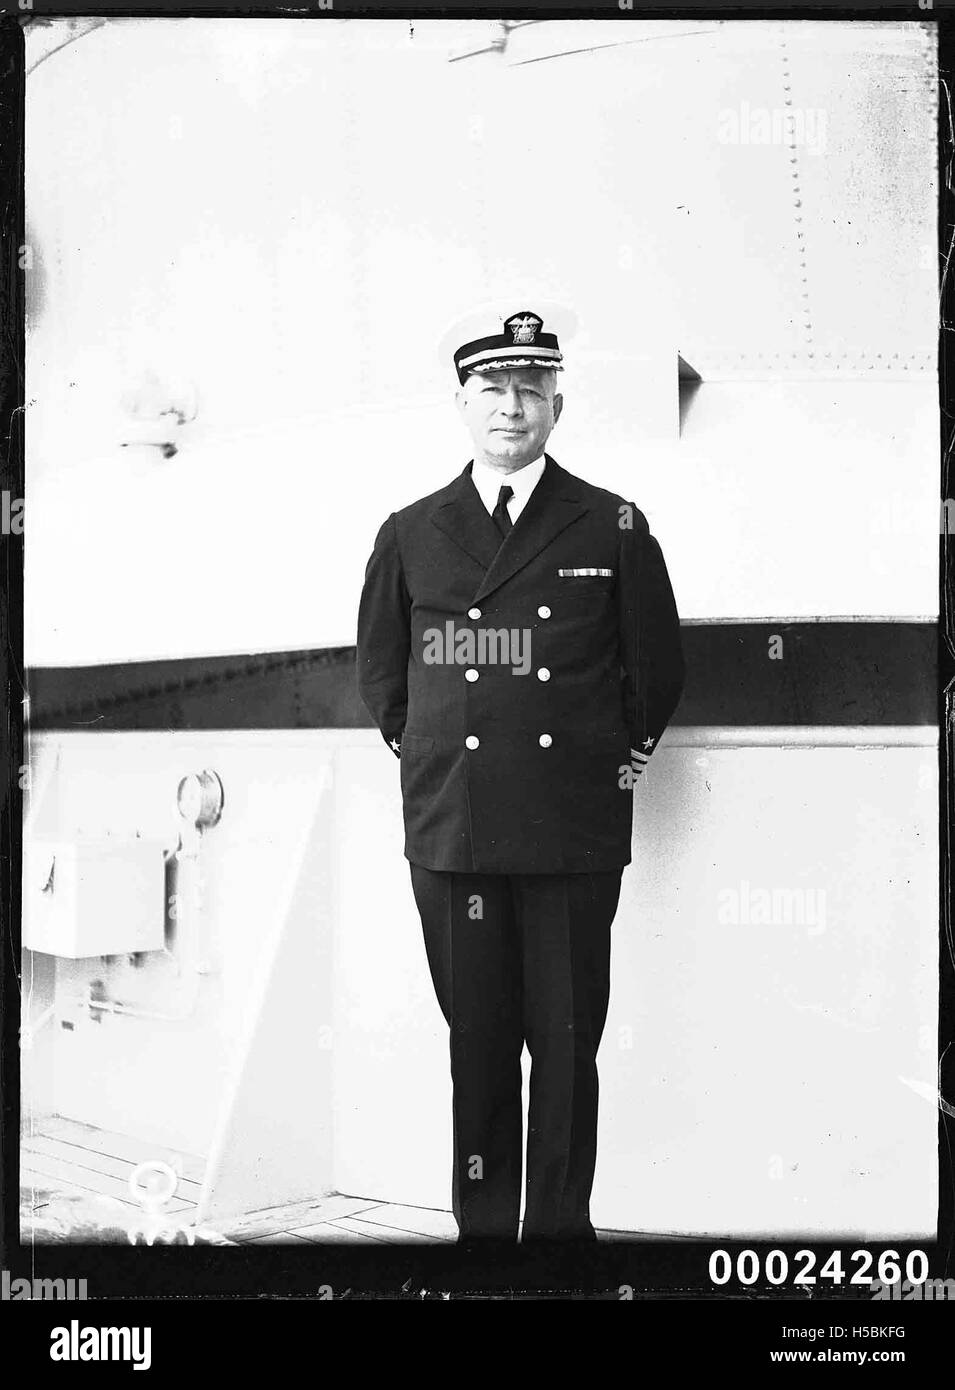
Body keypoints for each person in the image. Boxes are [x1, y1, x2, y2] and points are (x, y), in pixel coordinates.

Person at [356, 307, 684, 1249]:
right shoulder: (410, 530)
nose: (512, 407)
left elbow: (653, 667)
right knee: (480, 1043)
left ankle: (560, 1235)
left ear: (557, 407)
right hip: (454, 828)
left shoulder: (610, 522)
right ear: (463, 404)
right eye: (493, 390)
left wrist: (607, 756)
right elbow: (383, 673)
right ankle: (486, 1235)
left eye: (530, 391)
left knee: (567, 1046)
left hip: (571, 828)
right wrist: (427, 750)